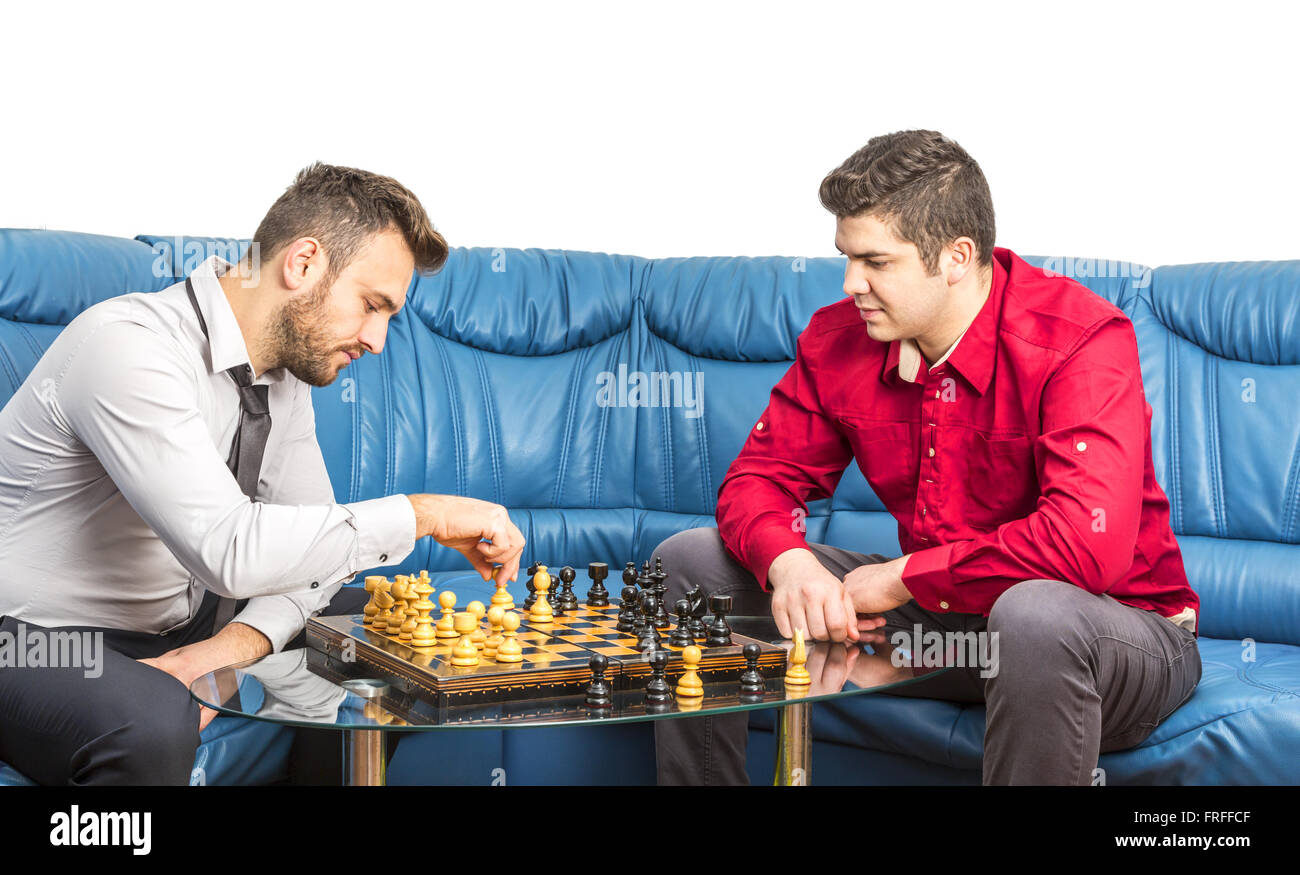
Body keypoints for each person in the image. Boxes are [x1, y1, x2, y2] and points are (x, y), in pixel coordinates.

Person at [654, 131, 1201, 785]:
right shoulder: (841, 340)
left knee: (1033, 615)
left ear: (956, 257)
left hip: (1108, 635)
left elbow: (1087, 546)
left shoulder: (1079, 341)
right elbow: (758, 480)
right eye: (846, 257)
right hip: (943, 634)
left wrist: (905, 577)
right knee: (688, 564)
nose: (852, 282)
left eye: (876, 262)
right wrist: (790, 563)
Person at [0, 163, 525, 785]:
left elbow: (316, 566)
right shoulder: (129, 346)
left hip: (181, 621)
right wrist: (424, 514)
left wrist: (221, 654)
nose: (379, 339)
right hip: (34, 640)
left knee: (380, 630)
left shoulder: (280, 377)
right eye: (371, 304)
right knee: (152, 718)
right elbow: (228, 549)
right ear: (302, 264)